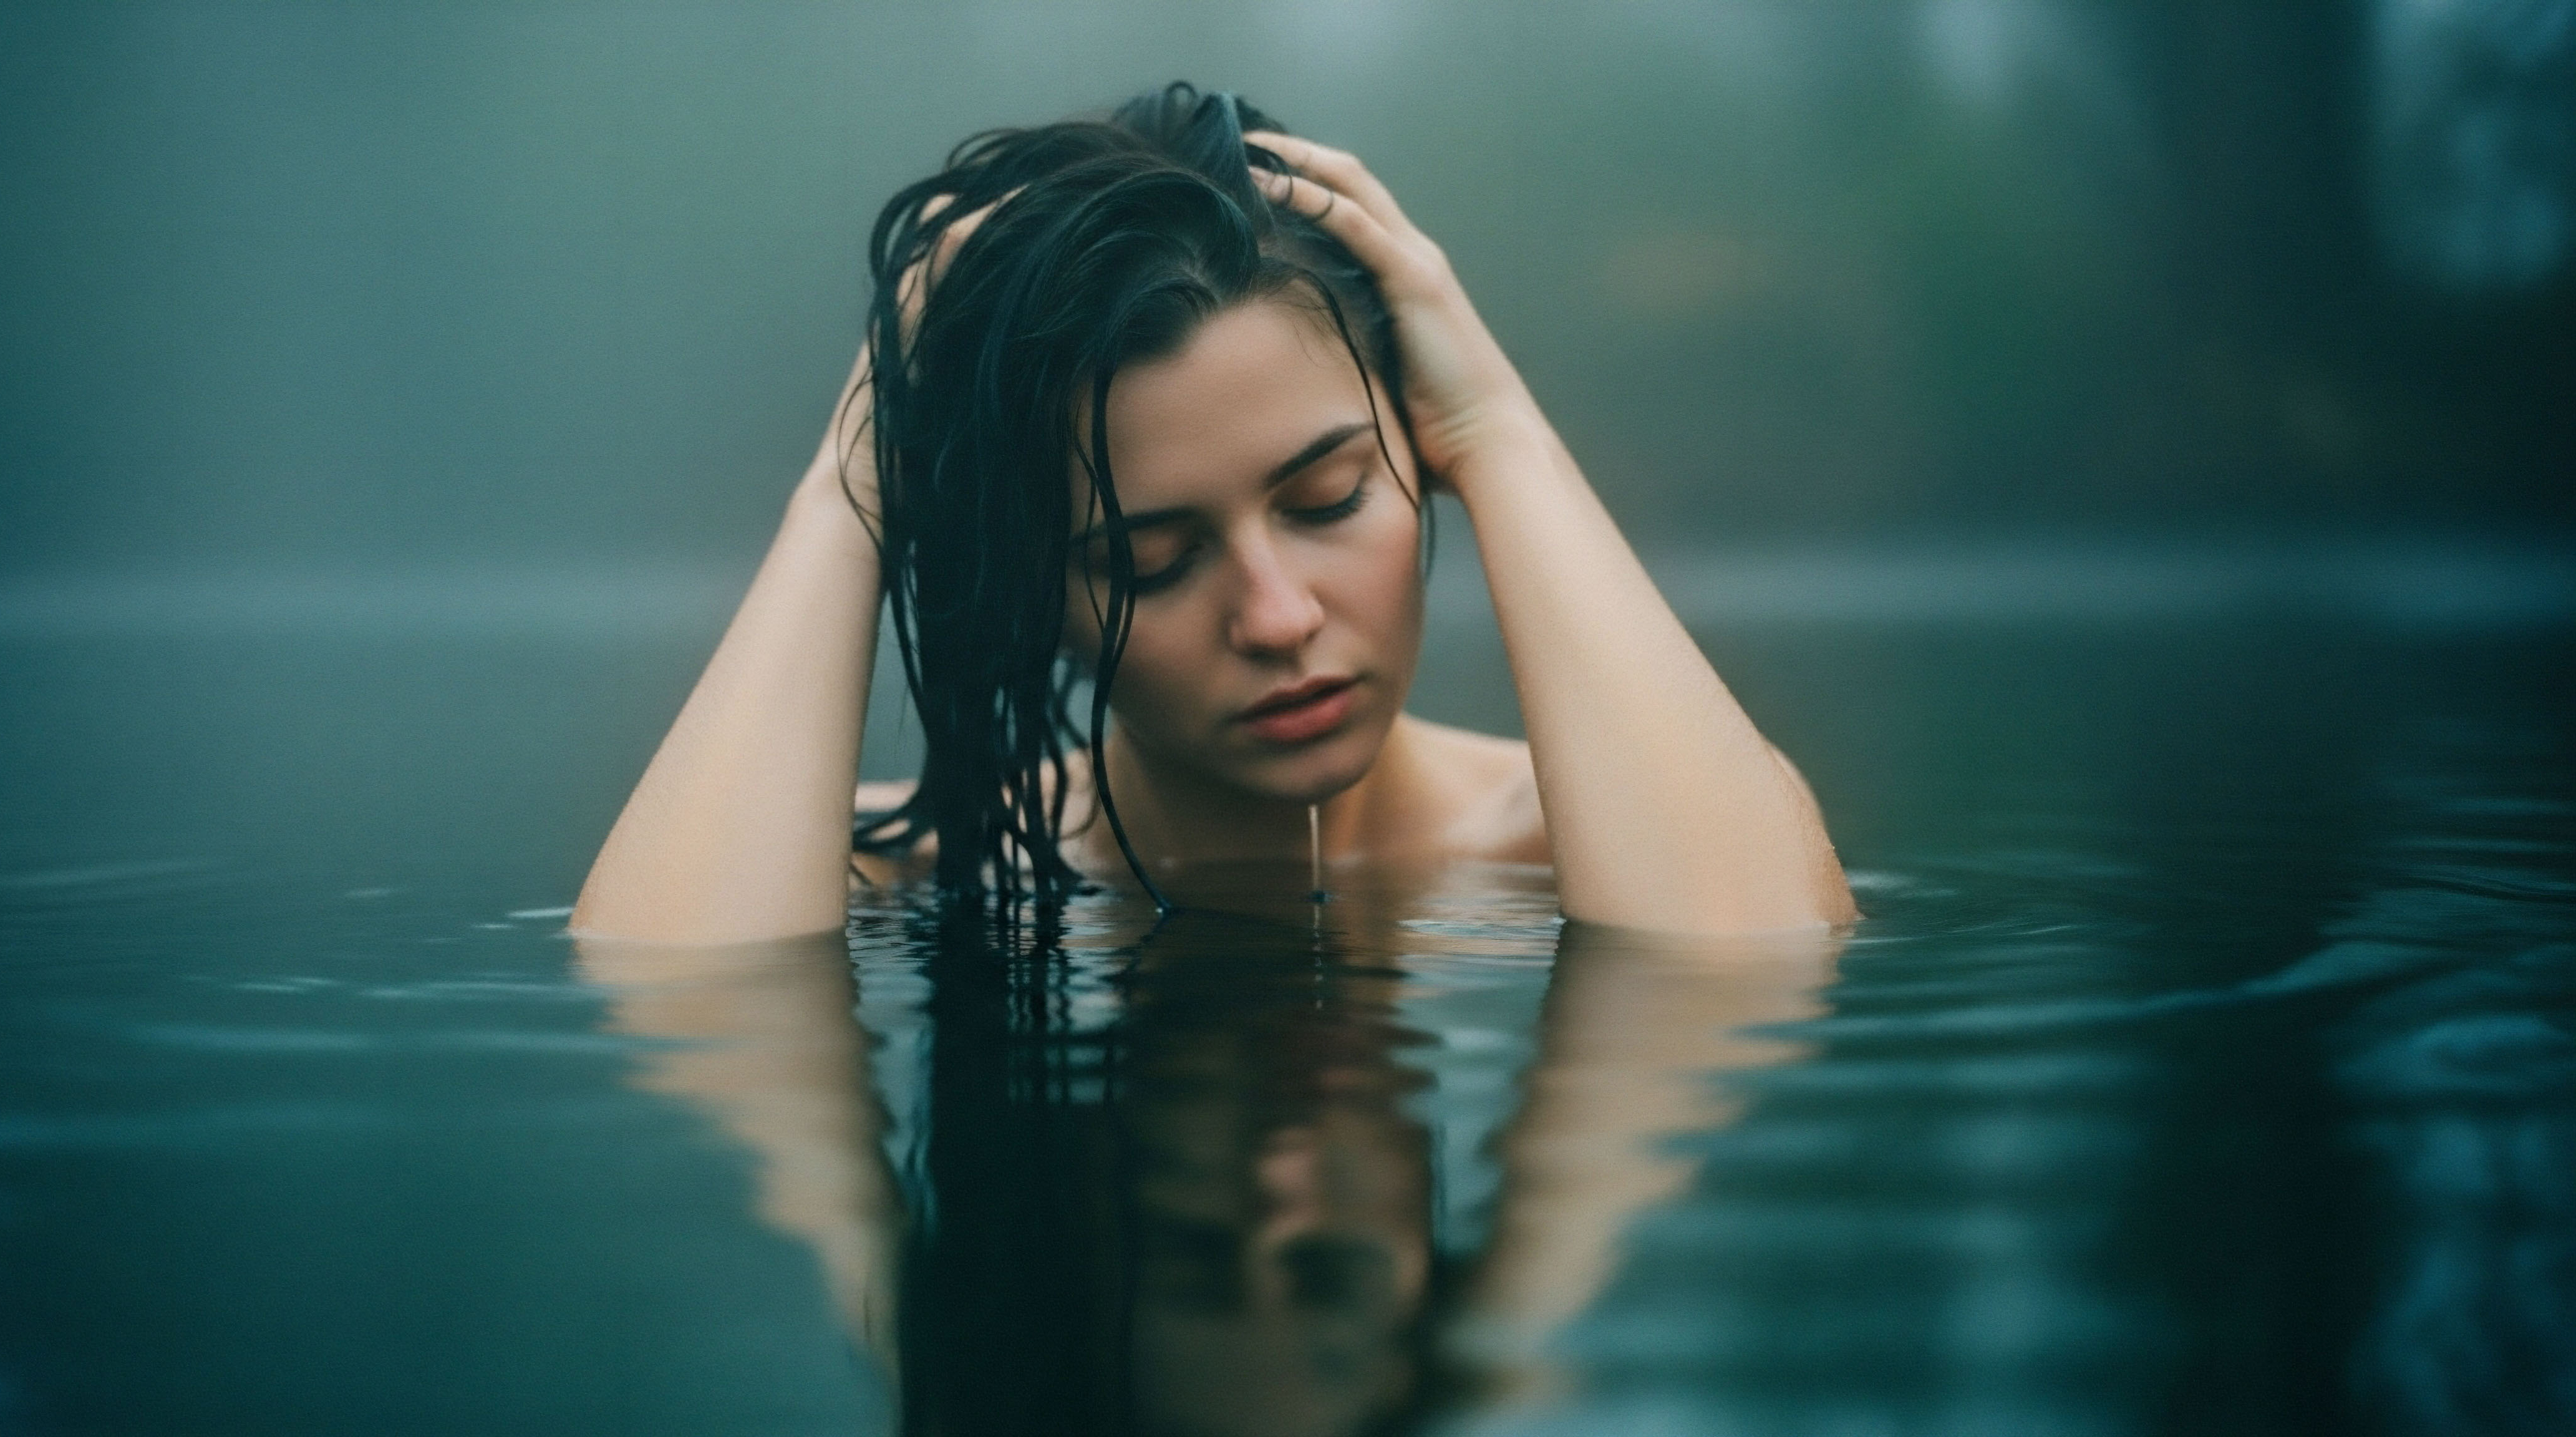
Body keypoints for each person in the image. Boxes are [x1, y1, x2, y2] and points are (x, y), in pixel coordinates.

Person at [569, 84, 1854, 944]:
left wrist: (1502, 434)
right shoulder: (913, 861)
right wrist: (851, 492)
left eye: (1329, 499)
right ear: (1038, 592)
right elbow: (675, 998)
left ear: (1421, 461)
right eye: (1149, 562)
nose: (1278, 618)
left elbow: (1755, 951)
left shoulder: (1577, 838)